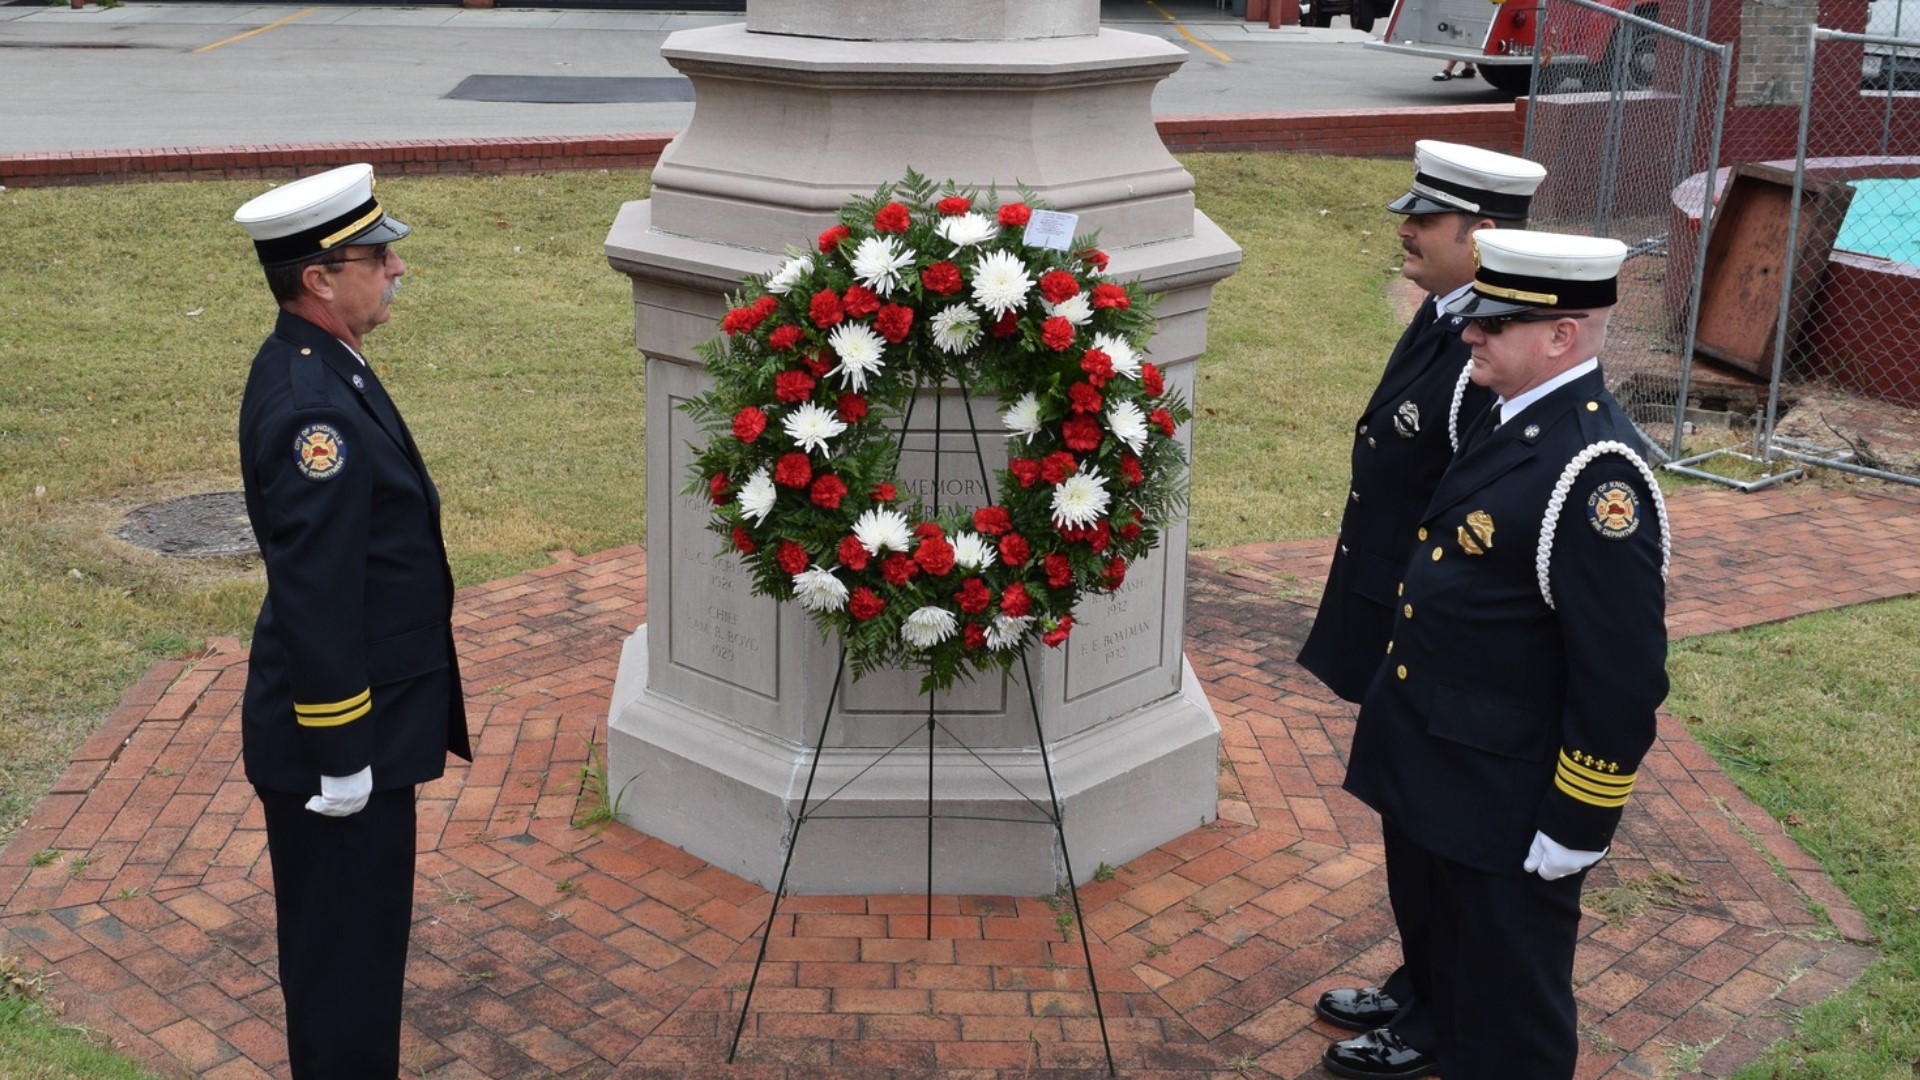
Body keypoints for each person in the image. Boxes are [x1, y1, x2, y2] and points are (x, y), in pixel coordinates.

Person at [1342, 229, 1670, 1080]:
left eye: (1493, 323)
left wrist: (1578, 821)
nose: (1469, 334)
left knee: (1510, 1016)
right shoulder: (1514, 414)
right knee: (1449, 959)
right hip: (1447, 759)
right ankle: (1430, 1032)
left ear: (1562, 336)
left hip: (1508, 793)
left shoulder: (1597, 474)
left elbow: (1622, 675)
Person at [1296, 140, 1546, 1080]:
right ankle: (1420, 980)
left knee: (1439, 832)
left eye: (1426, 219)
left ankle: (1440, 1014)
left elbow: (1474, 516)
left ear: (1481, 236)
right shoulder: (1446, 316)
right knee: (1410, 821)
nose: (1406, 229)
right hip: (1400, 625)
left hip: (1436, 645)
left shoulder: (1484, 353)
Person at [232, 163, 472, 1079]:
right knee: (345, 977)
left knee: (358, 964)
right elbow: (318, 590)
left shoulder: (325, 365)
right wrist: (341, 753)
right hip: (340, 742)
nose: (396, 270)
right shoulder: (314, 411)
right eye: (377, 256)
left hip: (362, 728)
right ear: (319, 279)